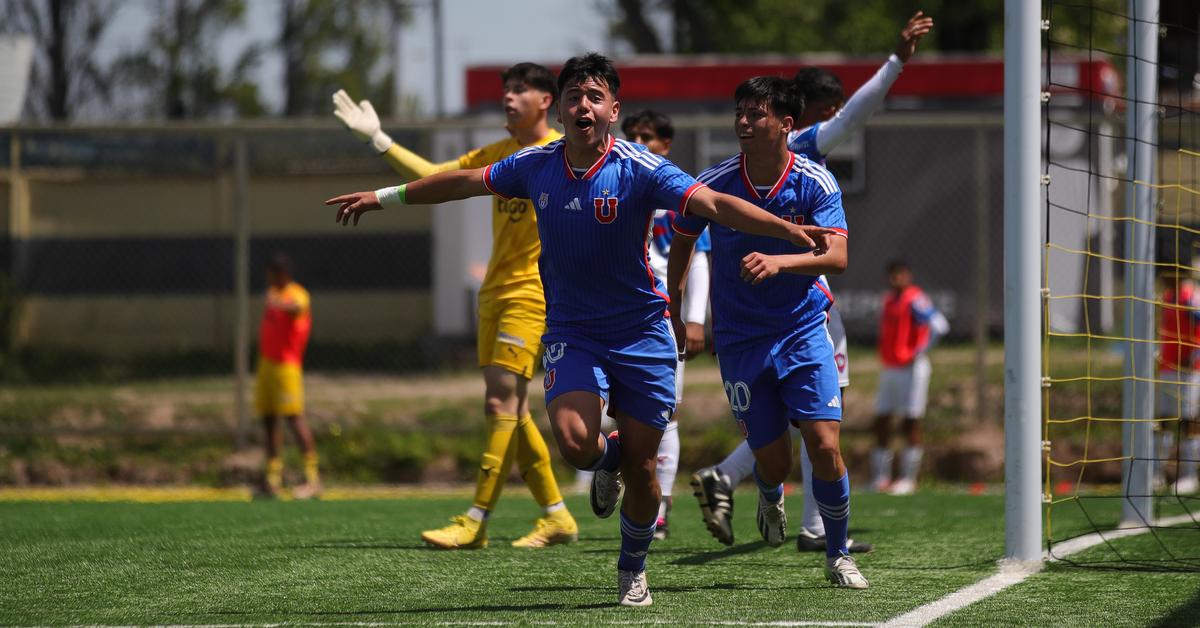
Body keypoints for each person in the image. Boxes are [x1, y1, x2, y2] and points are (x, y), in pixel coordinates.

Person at [326, 52, 832, 607]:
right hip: (573, 329)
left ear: (613, 109)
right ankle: (605, 459)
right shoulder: (536, 163)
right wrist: (383, 196)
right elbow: (466, 181)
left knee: (645, 472)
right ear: (561, 109)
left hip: (642, 332)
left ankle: (631, 568)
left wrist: (783, 228)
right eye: (574, 96)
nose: (583, 105)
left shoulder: (641, 167)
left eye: (595, 96)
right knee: (573, 442)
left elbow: (712, 203)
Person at [691, 10, 932, 550]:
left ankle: (748, 486)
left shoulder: (799, 170)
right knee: (818, 414)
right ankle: (806, 522)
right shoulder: (797, 151)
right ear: (812, 114)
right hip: (799, 306)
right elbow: (859, 114)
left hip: (788, 305)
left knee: (817, 423)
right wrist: (897, 61)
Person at [331, 64, 579, 550]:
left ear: (546, 100)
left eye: (519, 90)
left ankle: (475, 520)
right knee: (514, 410)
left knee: (499, 402)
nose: (508, 97)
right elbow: (437, 179)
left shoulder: (557, 154)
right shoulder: (499, 154)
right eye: (505, 89)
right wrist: (379, 139)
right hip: (495, 292)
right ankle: (556, 515)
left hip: (531, 295)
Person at [669, 76, 866, 588]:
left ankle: (838, 554)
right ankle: (770, 493)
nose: (743, 122)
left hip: (802, 327)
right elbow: (683, 238)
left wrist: (782, 263)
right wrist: (675, 305)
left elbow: (838, 257)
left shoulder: (815, 182)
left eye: (756, 113)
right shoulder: (713, 183)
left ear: (786, 124)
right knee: (773, 462)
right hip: (739, 339)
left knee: (824, 445)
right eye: (739, 112)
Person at [621, 109, 712, 540]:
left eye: (648, 136)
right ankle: (616, 472)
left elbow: (698, 260)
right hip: (616, 309)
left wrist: (692, 318)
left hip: (661, 312)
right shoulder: (616, 179)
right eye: (632, 135)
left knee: (665, 415)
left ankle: (660, 506)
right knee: (612, 412)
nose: (639, 142)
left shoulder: (678, 189)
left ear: (666, 144)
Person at [871, 260, 948, 495]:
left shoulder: (915, 299)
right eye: (892, 275)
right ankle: (881, 478)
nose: (896, 279)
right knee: (882, 419)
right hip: (890, 367)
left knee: (910, 420)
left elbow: (940, 325)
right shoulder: (888, 300)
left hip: (912, 368)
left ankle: (908, 479)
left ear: (908, 275)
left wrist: (918, 352)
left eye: (901, 274)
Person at [256, 253, 320, 500]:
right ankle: (272, 479)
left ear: (282, 274)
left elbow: (297, 308)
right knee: (269, 420)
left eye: (272, 274)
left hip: (287, 366)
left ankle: (312, 478)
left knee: (294, 418)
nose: (269, 279)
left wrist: (277, 304)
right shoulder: (273, 294)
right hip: (267, 364)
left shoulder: (296, 294)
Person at [1155, 271, 1200, 494]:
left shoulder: (1191, 297)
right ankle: (1157, 474)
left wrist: (1193, 356)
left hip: (1187, 370)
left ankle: (1190, 476)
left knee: (1188, 421)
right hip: (1166, 368)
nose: (1162, 277)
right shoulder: (1166, 297)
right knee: (1163, 420)